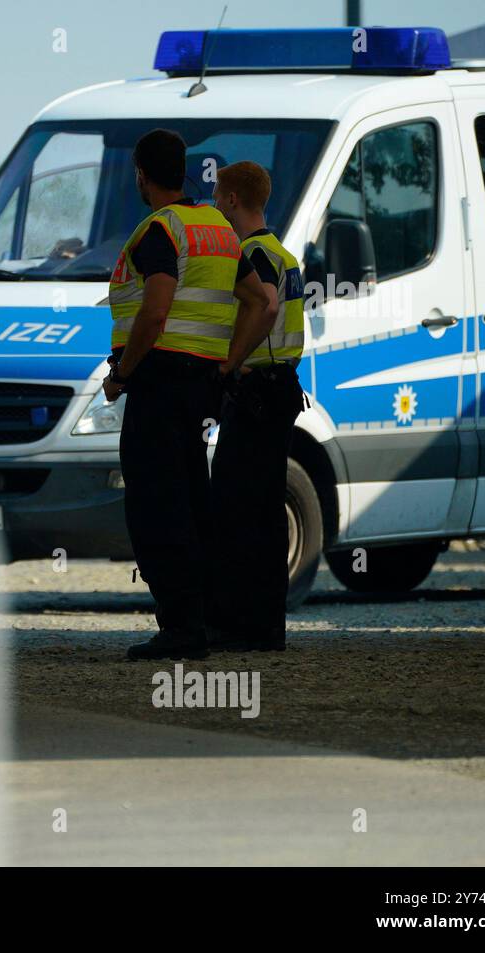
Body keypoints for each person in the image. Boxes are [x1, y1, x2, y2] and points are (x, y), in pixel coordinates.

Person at [104, 130, 270, 661]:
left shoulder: (160, 230)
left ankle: (179, 627)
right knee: (193, 499)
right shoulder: (216, 228)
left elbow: (155, 310)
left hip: (158, 383)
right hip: (200, 387)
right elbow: (262, 303)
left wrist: (123, 374)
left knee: (156, 505)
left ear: (140, 175)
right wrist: (228, 364)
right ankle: (196, 621)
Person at [207, 160, 306, 651]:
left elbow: (264, 306)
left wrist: (229, 363)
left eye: (216, 197)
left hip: (257, 390)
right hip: (280, 387)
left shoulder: (252, 253)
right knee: (264, 512)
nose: (213, 206)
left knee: (235, 508)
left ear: (231, 201)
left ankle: (238, 626)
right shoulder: (283, 252)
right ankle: (265, 627)